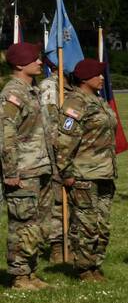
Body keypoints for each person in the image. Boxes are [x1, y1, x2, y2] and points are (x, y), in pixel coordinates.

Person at [53, 59, 116, 281]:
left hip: (104, 172)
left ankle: (95, 265)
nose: (102, 78)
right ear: (85, 78)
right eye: (97, 75)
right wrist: (66, 172)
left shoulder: (97, 100)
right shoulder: (75, 103)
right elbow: (64, 141)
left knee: (102, 224)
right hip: (83, 173)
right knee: (86, 224)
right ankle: (83, 268)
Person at [1, 43, 57, 289]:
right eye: (34, 59)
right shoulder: (12, 94)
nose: (40, 62)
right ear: (19, 64)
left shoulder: (32, 91)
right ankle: (19, 275)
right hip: (23, 170)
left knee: (38, 224)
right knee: (22, 224)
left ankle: (31, 272)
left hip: (41, 168)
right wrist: (11, 171)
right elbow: (5, 134)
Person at [37, 66, 65, 264]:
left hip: (76, 152)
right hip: (56, 152)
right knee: (57, 201)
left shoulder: (73, 84)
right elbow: (50, 123)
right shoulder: (49, 86)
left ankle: (72, 243)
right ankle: (57, 246)